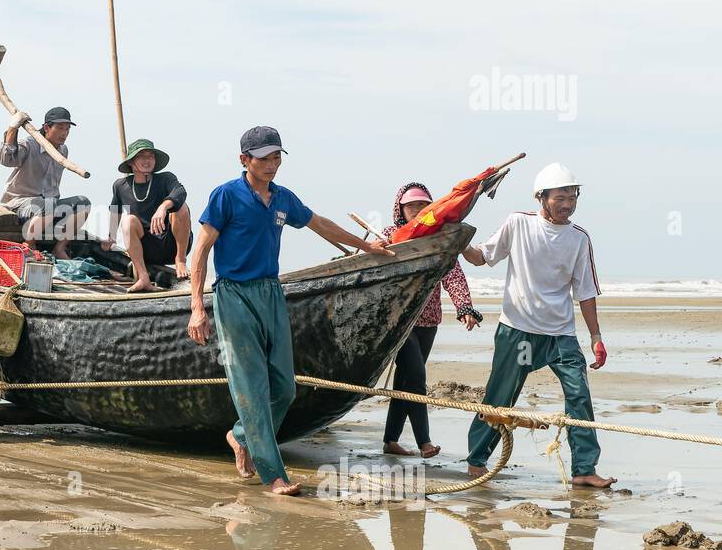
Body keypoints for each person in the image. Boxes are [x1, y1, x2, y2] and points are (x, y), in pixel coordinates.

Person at [187, 126, 394, 495]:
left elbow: (320, 224)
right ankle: (275, 476)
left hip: (270, 291)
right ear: (244, 160)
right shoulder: (226, 196)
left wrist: (366, 246)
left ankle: (240, 436)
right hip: (233, 294)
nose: (272, 164)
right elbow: (200, 249)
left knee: (283, 388)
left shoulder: (283, 199)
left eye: (277, 156)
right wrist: (196, 309)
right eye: (264, 158)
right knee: (251, 385)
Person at [461, 162, 614, 488]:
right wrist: (457, 239)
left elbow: (585, 292)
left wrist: (596, 337)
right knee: (501, 397)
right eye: (561, 197)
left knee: (579, 397)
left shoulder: (578, 239)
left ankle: (584, 469)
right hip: (518, 330)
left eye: (573, 197)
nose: (568, 204)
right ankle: (476, 460)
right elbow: (480, 257)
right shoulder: (517, 224)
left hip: (560, 335)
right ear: (541, 197)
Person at [379, 182, 482, 458]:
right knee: (417, 375)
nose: (417, 210)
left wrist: (465, 308)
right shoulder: (391, 236)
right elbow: (368, 262)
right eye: (411, 206)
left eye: (422, 205)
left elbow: (453, 275)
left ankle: (390, 441)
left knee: (406, 379)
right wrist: (373, 247)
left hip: (429, 319)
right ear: (401, 209)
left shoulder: (439, 239)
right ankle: (424, 441)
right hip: (400, 320)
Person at [0, 107, 91, 260]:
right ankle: (29, 244)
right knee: (46, 204)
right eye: (60, 128)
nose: (64, 133)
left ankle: (60, 248)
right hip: (21, 203)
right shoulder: (29, 143)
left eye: (67, 130)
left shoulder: (63, 150)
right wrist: (13, 128)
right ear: (47, 127)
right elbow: (7, 160)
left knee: (83, 203)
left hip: (49, 206)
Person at [102, 138, 192, 292]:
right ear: (131, 162)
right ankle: (144, 278)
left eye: (151, 156)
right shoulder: (120, 186)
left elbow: (180, 192)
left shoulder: (165, 178)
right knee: (128, 221)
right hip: (146, 248)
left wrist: (163, 207)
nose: (147, 160)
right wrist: (110, 237)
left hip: (170, 243)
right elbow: (115, 210)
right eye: (142, 156)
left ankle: (180, 261)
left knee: (181, 207)